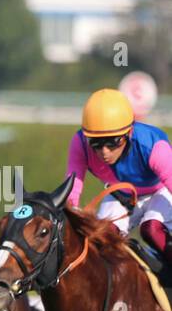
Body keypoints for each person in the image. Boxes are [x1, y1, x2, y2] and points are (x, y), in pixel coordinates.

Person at [63, 88, 172, 259]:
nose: (104, 152)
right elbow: (72, 190)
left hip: (161, 192)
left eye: (113, 142)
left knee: (151, 229)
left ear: (128, 132)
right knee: (102, 239)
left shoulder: (153, 146)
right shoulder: (80, 143)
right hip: (120, 195)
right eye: (96, 143)